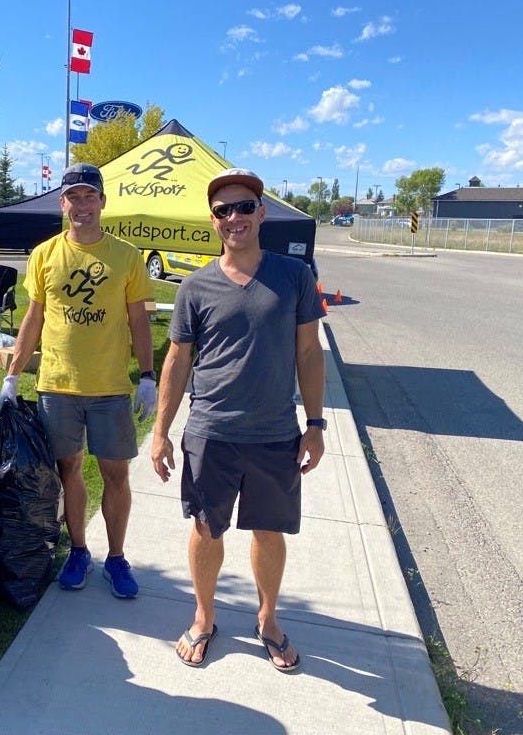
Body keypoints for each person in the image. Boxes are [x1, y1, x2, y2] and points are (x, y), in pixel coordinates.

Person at [150, 168, 326, 671]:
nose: (234, 217)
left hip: (274, 435)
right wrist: (161, 432)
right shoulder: (195, 286)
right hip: (211, 433)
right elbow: (177, 361)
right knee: (207, 530)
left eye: (244, 207)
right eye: (223, 210)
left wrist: (315, 424)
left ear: (262, 212)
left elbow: (309, 353)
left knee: (269, 533)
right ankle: (204, 618)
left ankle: (268, 620)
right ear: (213, 220)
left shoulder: (294, 277)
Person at [0, 163, 156, 599]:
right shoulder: (44, 254)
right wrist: (13, 374)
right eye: (74, 197)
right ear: (62, 203)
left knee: (115, 474)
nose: (82, 205)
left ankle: (118, 558)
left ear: (103, 201)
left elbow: (139, 318)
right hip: (57, 385)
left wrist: (146, 376)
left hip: (108, 388)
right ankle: (80, 551)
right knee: (69, 470)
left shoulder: (126, 255)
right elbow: (34, 316)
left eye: (90, 196)